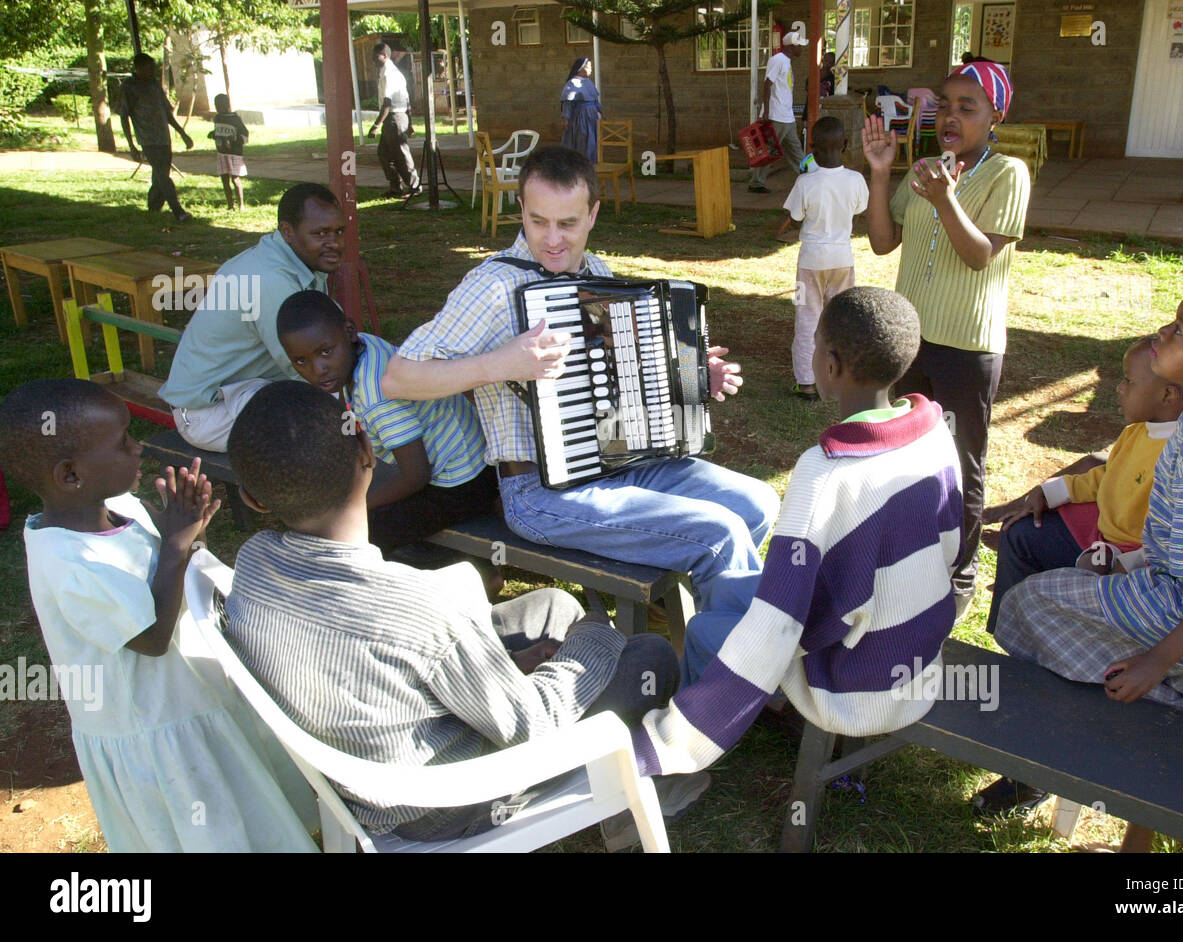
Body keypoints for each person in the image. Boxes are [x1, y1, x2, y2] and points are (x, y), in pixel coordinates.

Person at [223, 381, 686, 842]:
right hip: (445, 798)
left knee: (555, 605)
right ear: (366, 449)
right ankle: (630, 802)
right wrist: (596, 635)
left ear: (254, 499)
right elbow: (531, 727)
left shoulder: (253, 563)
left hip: (375, 744)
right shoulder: (425, 606)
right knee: (649, 656)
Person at [382, 145, 780, 622]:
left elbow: (620, 379)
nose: (551, 240)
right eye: (537, 221)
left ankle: (694, 619)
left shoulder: (599, 275)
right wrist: (502, 363)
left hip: (620, 463)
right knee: (720, 533)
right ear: (521, 212)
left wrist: (689, 378)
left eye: (567, 224)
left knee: (757, 503)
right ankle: (725, 676)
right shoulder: (492, 287)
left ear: (592, 214)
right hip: (540, 494)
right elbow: (397, 378)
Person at [983, 276, 1183, 818]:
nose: (1161, 331)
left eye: (1178, 331)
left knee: (1030, 604)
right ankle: (1117, 712)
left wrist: (1157, 661)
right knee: (1051, 590)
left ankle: (1152, 709)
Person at [633, 287, 964, 773]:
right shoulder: (934, 431)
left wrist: (667, 744)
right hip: (914, 649)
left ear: (830, 366)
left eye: (814, 344)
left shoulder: (825, 472)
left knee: (704, 630)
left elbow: (778, 625)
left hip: (858, 685)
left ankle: (704, 740)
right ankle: (759, 701)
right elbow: (951, 548)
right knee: (727, 589)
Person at [0, 378, 316, 852]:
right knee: (209, 831)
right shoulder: (70, 565)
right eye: (123, 442)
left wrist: (185, 532)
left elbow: (171, 574)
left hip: (190, 698)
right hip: (154, 727)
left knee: (247, 813)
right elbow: (150, 637)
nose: (138, 446)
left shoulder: (120, 509)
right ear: (70, 474)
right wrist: (175, 544)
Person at [862, 59, 1031, 618]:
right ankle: (907, 556)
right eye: (944, 105)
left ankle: (959, 572)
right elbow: (884, 243)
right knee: (904, 451)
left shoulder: (1007, 173)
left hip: (967, 347)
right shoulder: (929, 166)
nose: (950, 116)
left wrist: (944, 199)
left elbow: (980, 255)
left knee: (961, 461)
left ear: (995, 115)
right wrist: (882, 175)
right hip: (910, 337)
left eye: (967, 107)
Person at [988, 337, 1183, 631]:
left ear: (1168, 395)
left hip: (1137, 557)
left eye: (1129, 381)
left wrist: (1134, 560)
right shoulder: (1137, 432)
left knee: (1092, 599)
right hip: (1102, 532)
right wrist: (1052, 490)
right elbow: (1108, 475)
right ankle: (1008, 631)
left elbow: (1177, 535)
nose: (1119, 388)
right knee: (1018, 532)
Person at [276, 289, 498, 557]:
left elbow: (416, 475)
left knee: (361, 528)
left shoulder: (376, 397)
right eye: (301, 361)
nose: (317, 368)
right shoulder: (364, 346)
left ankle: (466, 570)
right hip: (468, 454)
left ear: (348, 332)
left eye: (325, 352)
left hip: (464, 482)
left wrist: (355, 506)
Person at [158, 182, 346, 452]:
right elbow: (309, 373)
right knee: (327, 431)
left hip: (243, 392)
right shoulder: (271, 281)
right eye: (321, 234)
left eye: (339, 231)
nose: (335, 243)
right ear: (287, 232)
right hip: (209, 415)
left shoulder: (294, 259)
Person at [778, 116, 868, 400]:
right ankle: (841, 378)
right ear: (845, 144)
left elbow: (794, 217)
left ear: (811, 147)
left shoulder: (805, 182)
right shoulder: (855, 180)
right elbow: (859, 209)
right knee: (841, 319)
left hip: (811, 260)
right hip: (842, 258)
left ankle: (806, 383)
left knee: (807, 320)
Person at [116, 52, 193, 223]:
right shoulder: (129, 87)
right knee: (162, 174)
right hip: (148, 138)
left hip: (163, 137)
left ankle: (153, 206)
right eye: (149, 68)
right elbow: (124, 116)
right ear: (139, 68)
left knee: (161, 174)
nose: (152, 72)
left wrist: (182, 133)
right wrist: (132, 146)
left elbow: (167, 112)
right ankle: (178, 211)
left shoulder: (154, 84)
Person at [749, 31, 809, 194]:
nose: (801, 49)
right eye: (799, 46)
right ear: (791, 46)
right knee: (770, 151)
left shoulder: (787, 62)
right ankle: (756, 183)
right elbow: (767, 84)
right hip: (776, 116)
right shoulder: (778, 61)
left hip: (786, 116)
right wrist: (766, 112)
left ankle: (809, 177)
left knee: (795, 150)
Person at [367, 44, 420, 199]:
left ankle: (414, 186)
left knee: (401, 155)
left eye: (376, 56)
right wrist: (409, 123)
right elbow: (407, 99)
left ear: (385, 55)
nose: (373, 60)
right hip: (396, 117)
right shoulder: (389, 72)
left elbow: (387, 103)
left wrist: (376, 125)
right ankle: (395, 186)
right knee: (384, 153)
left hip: (395, 117)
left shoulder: (389, 74)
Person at [209, 93, 250, 211]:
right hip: (222, 154)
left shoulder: (235, 118)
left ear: (227, 105)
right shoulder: (217, 118)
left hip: (234, 154)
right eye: (216, 105)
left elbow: (245, 134)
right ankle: (230, 205)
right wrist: (213, 134)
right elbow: (218, 131)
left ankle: (241, 205)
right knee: (224, 180)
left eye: (220, 105)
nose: (218, 107)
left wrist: (235, 140)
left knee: (235, 179)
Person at [560, 57, 602, 163]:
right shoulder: (572, 83)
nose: (591, 69)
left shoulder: (588, 82)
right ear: (580, 69)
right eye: (589, 66)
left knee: (592, 141)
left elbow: (595, 99)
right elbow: (567, 102)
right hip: (580, 117)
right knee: (582, 140)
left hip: (592, 117)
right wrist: (565, 118)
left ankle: (592, 163)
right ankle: (581, 164)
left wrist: (601, 111)